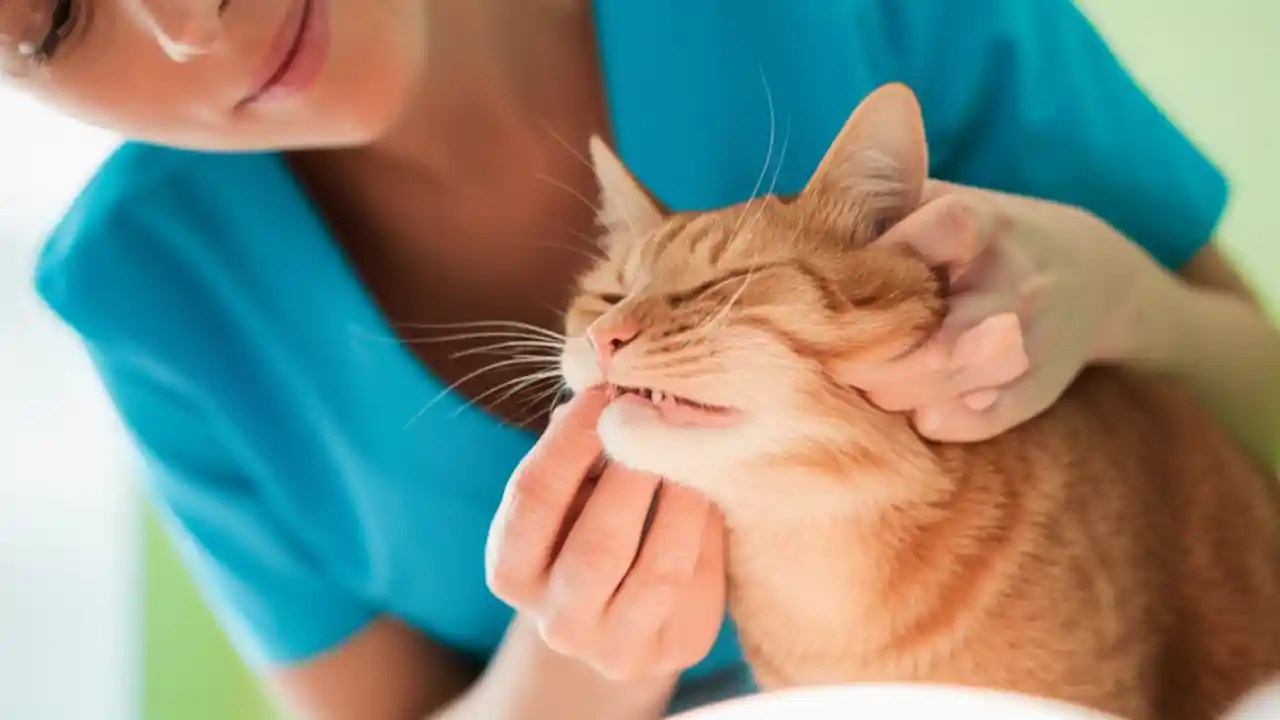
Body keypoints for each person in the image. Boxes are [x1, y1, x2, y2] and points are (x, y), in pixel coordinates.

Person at [7, 0, 1277, 717]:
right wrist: (571, 672)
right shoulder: (137, 283)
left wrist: (1129, 304)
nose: (187, 19)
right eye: (55, 22)